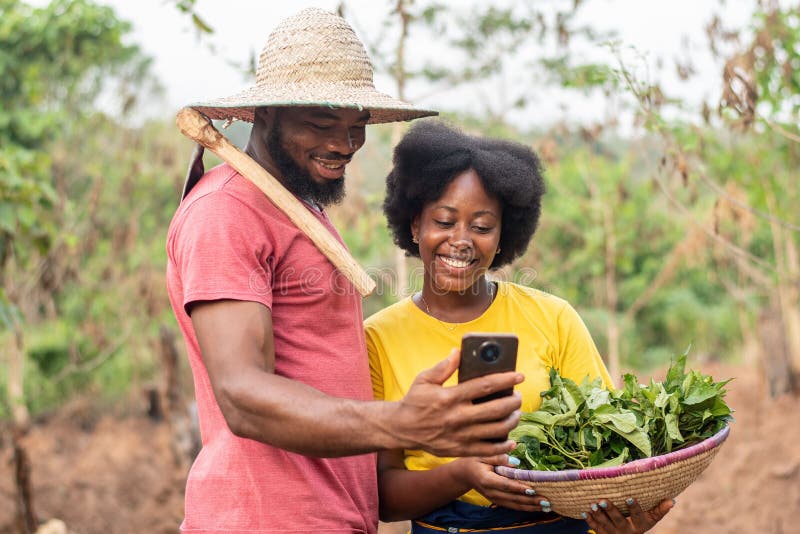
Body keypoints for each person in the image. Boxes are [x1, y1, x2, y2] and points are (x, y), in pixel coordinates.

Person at [165, 9, 523, 534]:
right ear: (266, 115)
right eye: (321, 123)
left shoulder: (296, 206)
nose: (344, 144)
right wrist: (402, 422)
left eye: (355, 127)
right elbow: (242, 394)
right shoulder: (227, 212)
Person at [365, 120, 674, 533]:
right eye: (444, 220)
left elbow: (608, 449)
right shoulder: (379, 338)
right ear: (415, 225)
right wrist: (463, 474)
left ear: (503, 235)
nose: (462, 240)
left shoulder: (554, 318)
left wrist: (622, 522)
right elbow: (383, 496)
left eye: (481, 227)